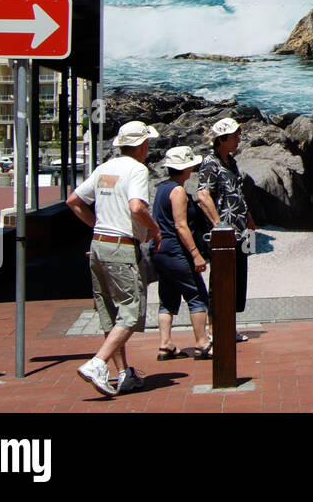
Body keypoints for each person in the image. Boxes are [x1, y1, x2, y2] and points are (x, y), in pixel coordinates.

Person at [66, 120, 162, 397]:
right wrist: (153, 229)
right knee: (132, 311)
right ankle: (98, 363)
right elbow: (136, 207)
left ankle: (123, 374)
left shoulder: (104, 169)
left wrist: (100, 225)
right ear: (143, 146)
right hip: (121, 247)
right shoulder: (137, 169)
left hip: (98, 245)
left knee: (110, 314)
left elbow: (74, 201)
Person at [150, 145, 213, 360]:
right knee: (197, 295)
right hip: (176, 250)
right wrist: (195, 253)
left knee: (167, 298)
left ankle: (165, 344)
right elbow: (181, 225)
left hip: (160, 250)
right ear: (187, 167)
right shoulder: (178, 191)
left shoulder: (161, 188)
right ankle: (202, 342)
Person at [196, 117, 255, 339]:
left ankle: (229, 326)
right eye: (234, 136)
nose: (238, 139)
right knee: (220, 281)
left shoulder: (232, 161)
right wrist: (218, 225)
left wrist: (249, 216)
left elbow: (237, 193)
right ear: (221, 139)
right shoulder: (210, 163)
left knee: (237, 280)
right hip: (224, 233)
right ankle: (214, 329)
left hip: (241, 230)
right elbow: (203, 194)